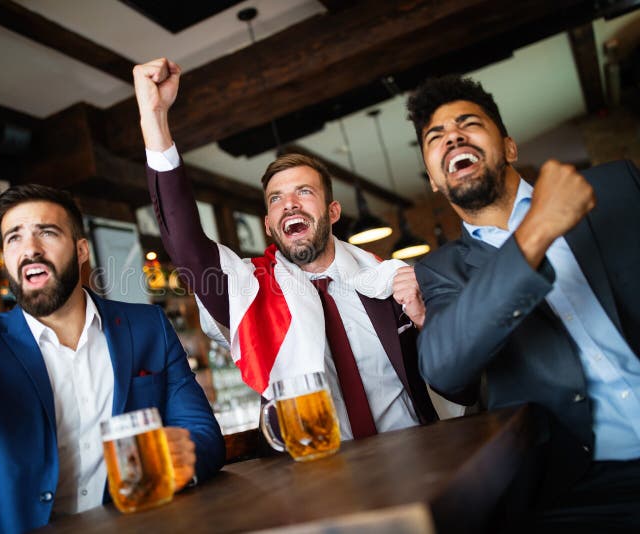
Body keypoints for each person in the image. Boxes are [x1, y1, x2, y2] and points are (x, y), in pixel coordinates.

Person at [0, 185, 224, 533]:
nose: (30, 248)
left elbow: (202, 432)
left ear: (81, 250)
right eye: (14, 237)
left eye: (47, 232)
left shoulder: (148, 327)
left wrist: (184, 460)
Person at [133, 57, 439, 443]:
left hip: (415, 455)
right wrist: (155, 119)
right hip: (318, 470)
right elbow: (188, 248)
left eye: (304, 192)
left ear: (333, 212)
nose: (290, 204)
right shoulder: (249, 292)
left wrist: (427, 321)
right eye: (276, 198)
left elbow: (448, 378)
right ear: (268, 224)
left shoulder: (388, 281)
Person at [406, 74, 640, 530]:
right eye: (435, 137)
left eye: (469, 123)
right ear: (433, 179)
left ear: (509, 148)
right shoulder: (441, 271)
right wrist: (536, 231)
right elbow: (445, 370)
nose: (453, 136)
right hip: (582, 488)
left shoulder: (617, 186)